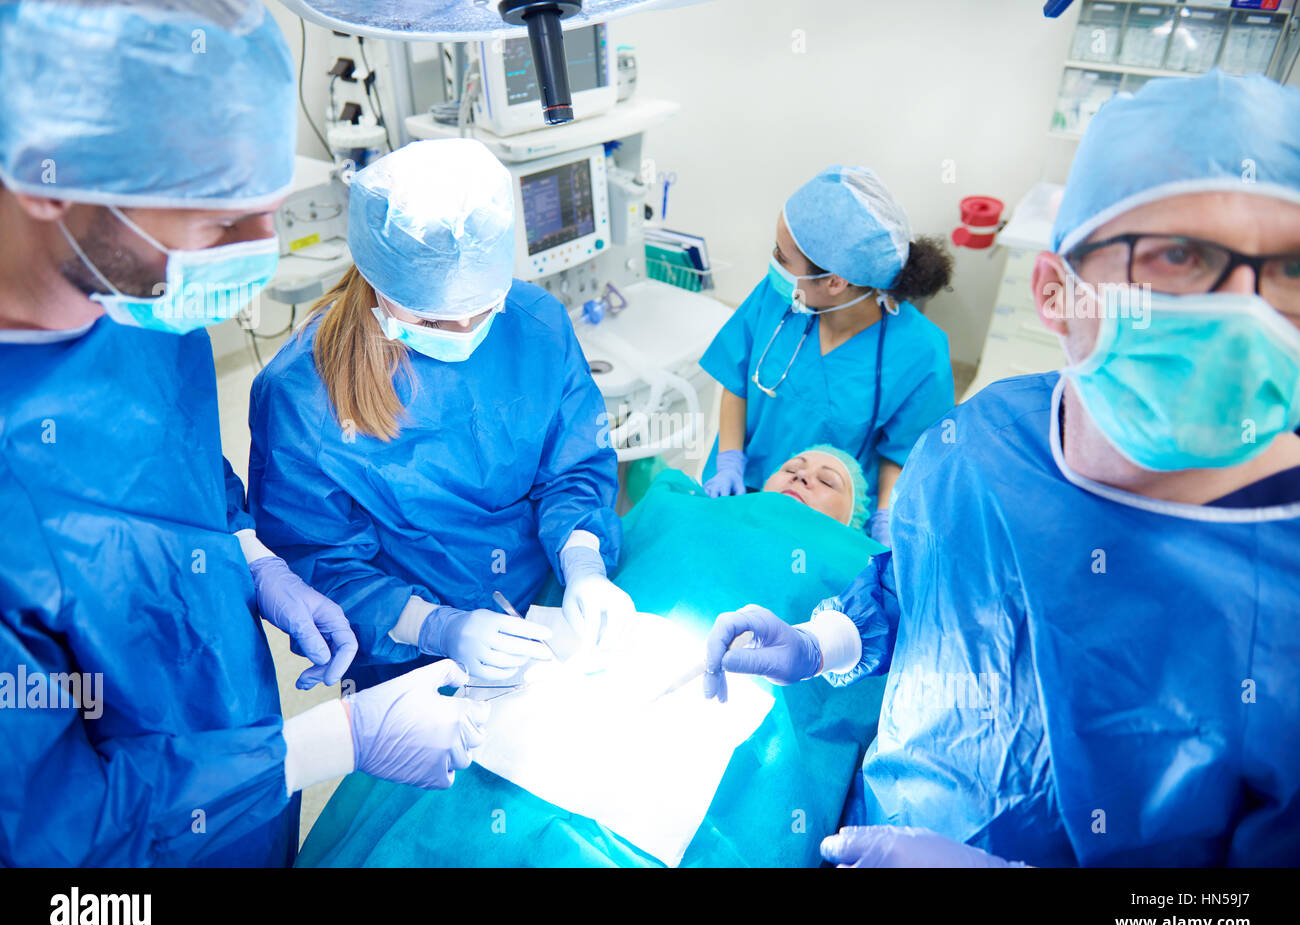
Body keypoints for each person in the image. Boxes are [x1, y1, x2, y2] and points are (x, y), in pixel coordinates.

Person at [702, 70, 1300, 867]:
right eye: (1181, 256)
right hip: (871, 827)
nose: (1244, 309)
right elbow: (917, 581)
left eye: (1291, 267)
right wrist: (824, 640)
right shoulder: (985, 436)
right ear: (1056, 290)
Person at [0, 0, 488, 867]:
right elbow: (50, 837)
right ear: (49, 180)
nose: (259, 254)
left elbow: (179, 462)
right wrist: (327, 745)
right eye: (222, 221)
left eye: (269, 205)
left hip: (238, 754)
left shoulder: (139, 294)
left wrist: (253, 558)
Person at [296, 448, 889, 867]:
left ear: (856, 519)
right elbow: (620, 528)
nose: (804, 477)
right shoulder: (685, 504)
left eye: (827, 479)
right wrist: (584, 568)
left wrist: (818, 642)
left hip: (734, 697)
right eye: (793, 466)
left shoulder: (863, 567)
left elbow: (861, 678)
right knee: (468, 780)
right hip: (610, 661)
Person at [247, 138, 632, 692]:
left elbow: (572, 467)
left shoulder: (535, 322)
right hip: (408, 652)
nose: (465, 334)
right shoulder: (302, 394)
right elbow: (318, 559)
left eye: (482, 310)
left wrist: (582, 562)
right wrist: (435, 627)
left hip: (548, 609)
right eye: (435, 319)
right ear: (381, 279)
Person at [698, 165, 955, 546]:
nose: (773, 262)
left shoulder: (920, 352)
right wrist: (729, 460)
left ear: (835, 281)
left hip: (818, 526)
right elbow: (737, 381)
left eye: (783, 257)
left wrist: (885, 517)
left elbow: (901, 451)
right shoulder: (782, 297)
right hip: (738, 492)